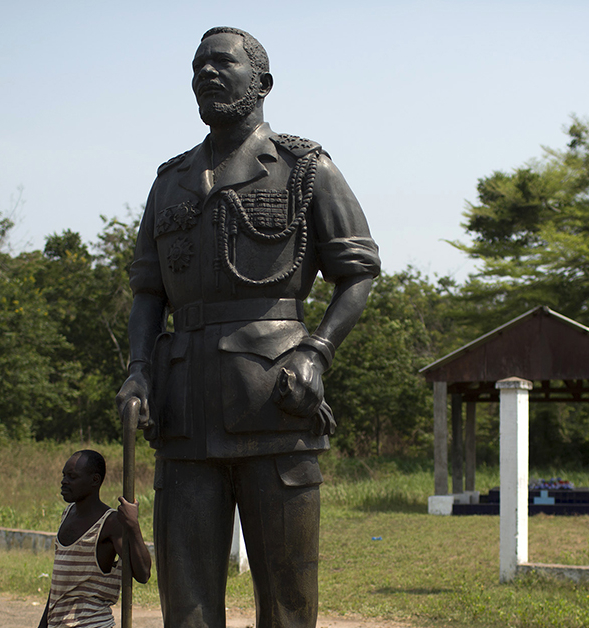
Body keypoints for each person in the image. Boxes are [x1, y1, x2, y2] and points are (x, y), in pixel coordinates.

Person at [115, 26, 378, 628]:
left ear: (261, 81)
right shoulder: (170, 179)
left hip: (276, 402)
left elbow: (358, 270)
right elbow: (147, 293)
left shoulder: (304, 167)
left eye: (222, 62)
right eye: (197, 65)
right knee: (186, 602)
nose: (206, 73)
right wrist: (137, 372)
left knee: (286, 601)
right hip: (184, 412)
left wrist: (318, 352)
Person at [38, 450, 152, 628]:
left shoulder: (110, 523)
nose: (64, 481)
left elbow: (143, 573)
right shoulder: (68, 514)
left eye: (72, 477)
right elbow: (59, 587)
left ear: (95, 481)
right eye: (64, 475)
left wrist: (133, 526)